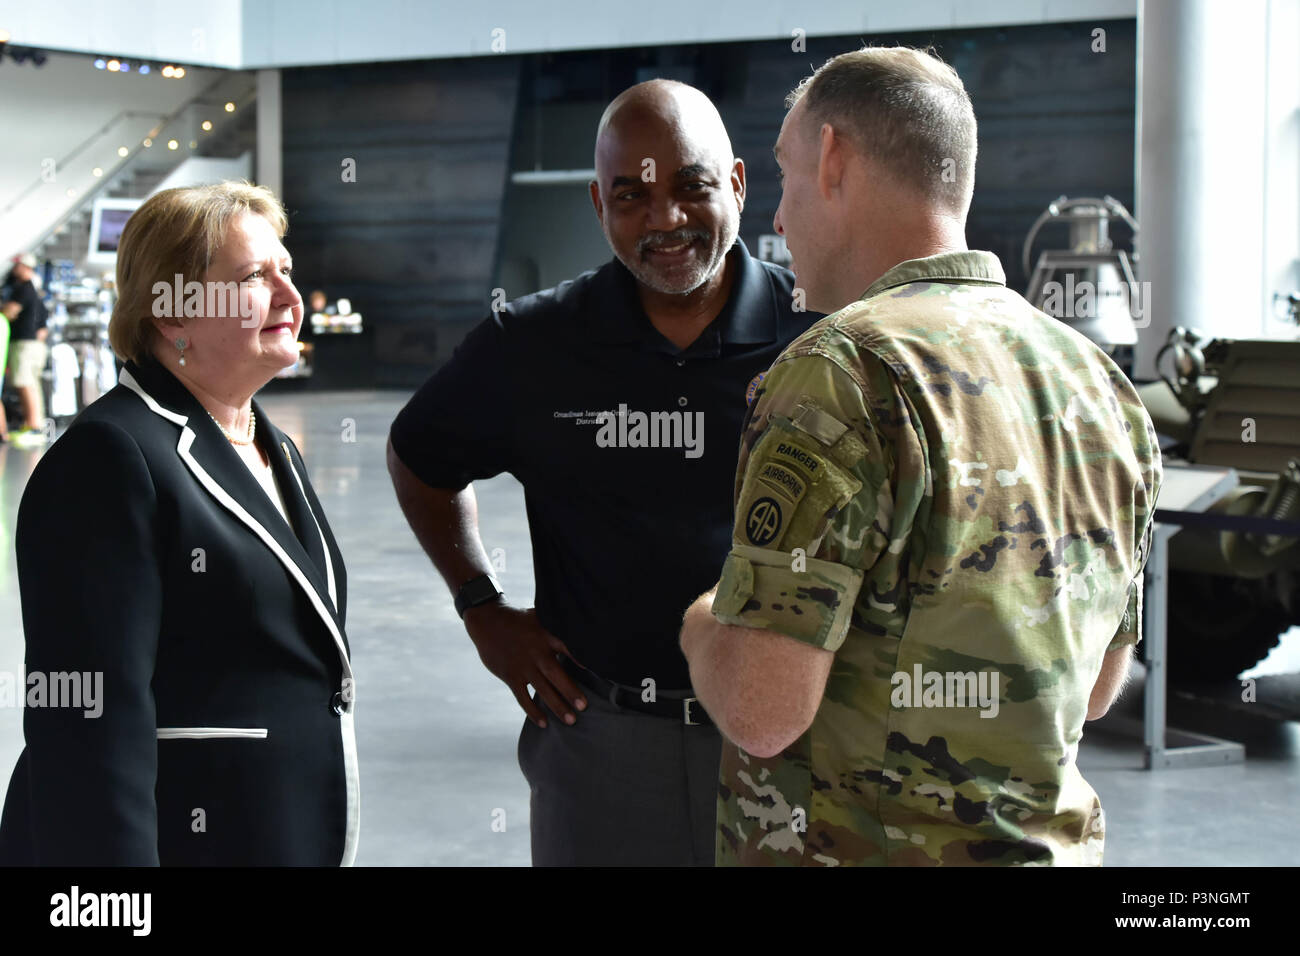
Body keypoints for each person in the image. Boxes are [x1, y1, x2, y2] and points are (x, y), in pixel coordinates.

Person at [679, 46, 1163, 866]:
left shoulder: (841, 371)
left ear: (833, 160)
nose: (780, 222)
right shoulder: (1100, 385)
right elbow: (1096, 687)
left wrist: (700, 625)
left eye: (787, 180)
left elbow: (764, 708)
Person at [388, 79, 817, 866]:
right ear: (599, 204)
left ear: (739, 183)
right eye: (632, 195)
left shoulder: (822, 337)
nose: (666, 219)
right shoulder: (534, 346)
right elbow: (419, 460)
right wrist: (482, 608)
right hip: (603, 744)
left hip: (795, 745)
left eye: (691, 186)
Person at [0, 182, 359, 866]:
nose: (289, 296)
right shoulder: (110, 457)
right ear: (173, 314)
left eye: (286, 270)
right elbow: (86, 719)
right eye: (256, 277)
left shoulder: (267, 443)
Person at [2, 253, 50, 447]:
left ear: (25, 267)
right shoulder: (35, 293)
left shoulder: (23, 289)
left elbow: (9, 312)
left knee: (24, 383)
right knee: (31, 384)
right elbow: (43, 330)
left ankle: (33, 427)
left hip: (23, 344)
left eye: (18, 266)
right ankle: (34, 425)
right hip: (33, 345)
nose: (14, 270)